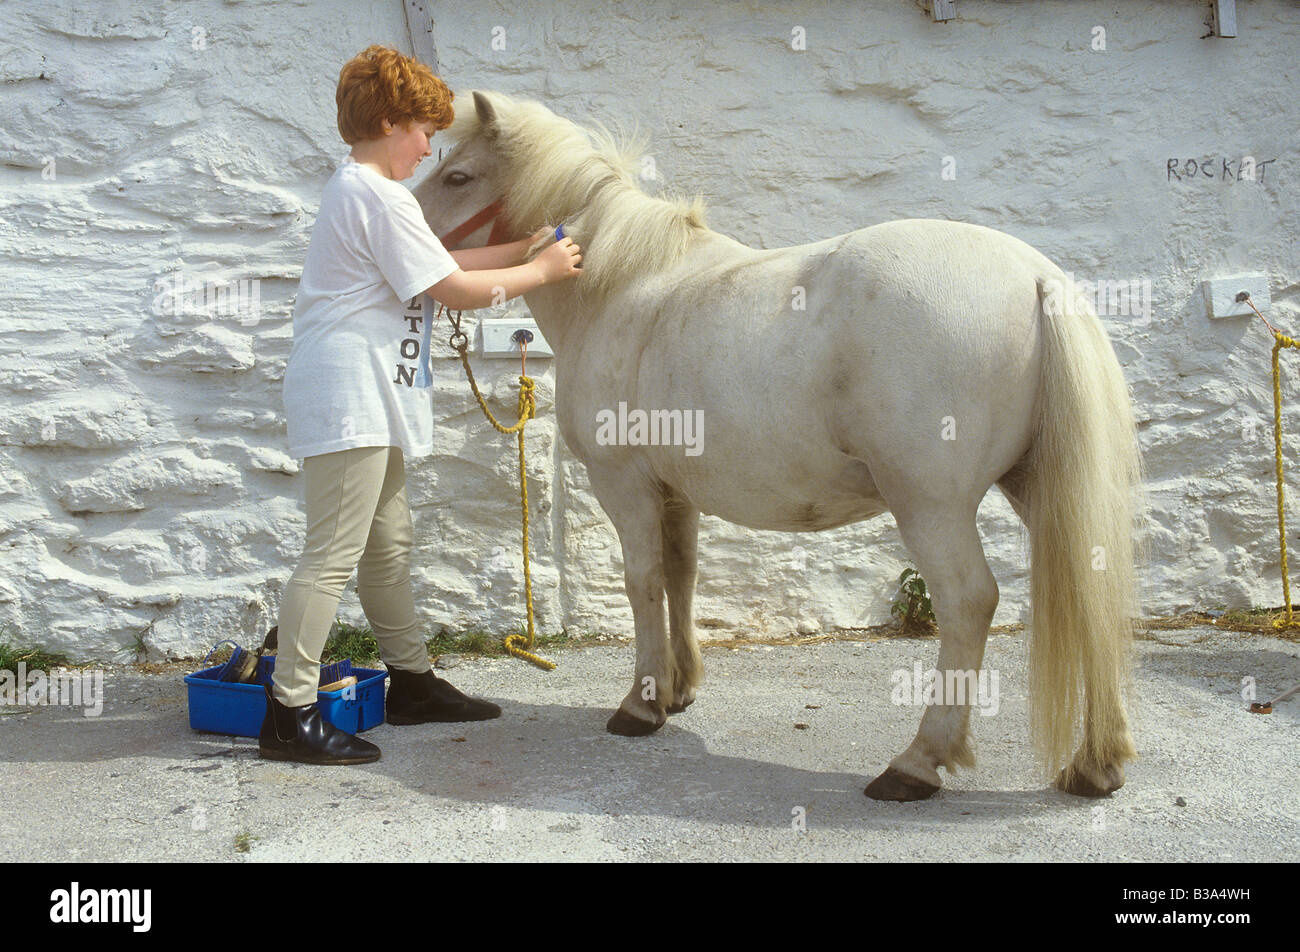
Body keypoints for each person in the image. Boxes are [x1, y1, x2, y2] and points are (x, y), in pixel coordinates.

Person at [262, 45, 583, 765]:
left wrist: (521, 248)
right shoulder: (371, 193)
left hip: (374, 396)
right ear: (387, 121)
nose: (429, 146)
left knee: (387, 542)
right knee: (333, 554)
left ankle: (411, 681)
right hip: (351, 397)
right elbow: (452, 290)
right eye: (422, 130)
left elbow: (442, 263)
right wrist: (541, 270)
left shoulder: (375, 195)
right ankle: (289, 713)